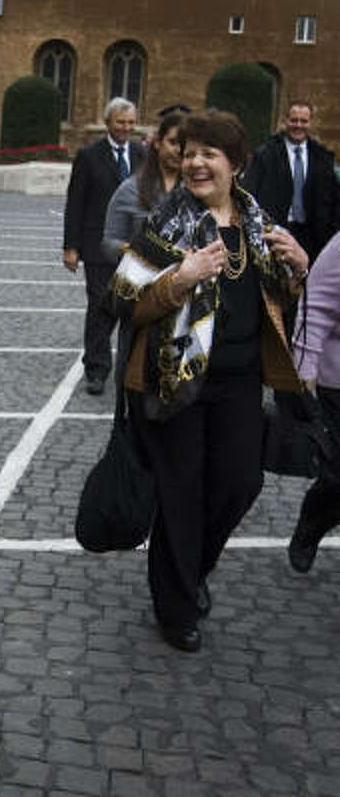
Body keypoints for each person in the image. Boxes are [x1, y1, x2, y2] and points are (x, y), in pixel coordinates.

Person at [108, 110, 309, 653]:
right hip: (175, 381)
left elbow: (275, 301)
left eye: (209, 154)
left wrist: (298, 267)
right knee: (181, 492)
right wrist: (180, 279)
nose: (196, 162)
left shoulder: (256, 222)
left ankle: (191, 568)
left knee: (241, 482)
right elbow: (123, 300)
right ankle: (175, 605)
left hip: (241, 382)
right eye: (190, 152)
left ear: (236, 164)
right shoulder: (167, 222)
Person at [63, 97, 147, 395]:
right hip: (98, 246)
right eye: (120, 122)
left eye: (130, 122)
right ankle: (97, 369)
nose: (125, 127)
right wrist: (70, 247)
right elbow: (76, 203)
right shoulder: (89, 156)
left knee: (134, 309)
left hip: (135, 248)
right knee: (100, 307)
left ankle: (131, 368)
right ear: (108, 122)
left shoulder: (142, 154)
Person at [287, 230, 340, 572]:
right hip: (337, 382)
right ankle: (314, 520)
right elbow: (316, 305)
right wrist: (302, 374)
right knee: (338, 475)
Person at [241, 100, 339, 267]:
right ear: (285, 121)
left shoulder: (323, 158)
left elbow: (334, 200)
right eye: (294, 120)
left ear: (311, 123)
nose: (298, 125)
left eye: (304, 121)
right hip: (276, 232)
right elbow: (249, 194)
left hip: (313, 237)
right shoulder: (265, 155)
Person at [102, 109, 186, 263]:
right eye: (172, 142)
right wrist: (135, 250)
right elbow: (110, 242)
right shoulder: (130, 189)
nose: (178, 150)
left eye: (184, 144)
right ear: (157, 142)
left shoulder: (199, 191)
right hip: (140, 279)